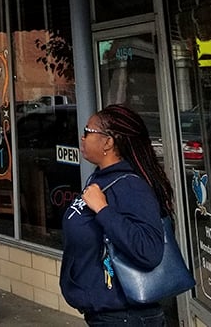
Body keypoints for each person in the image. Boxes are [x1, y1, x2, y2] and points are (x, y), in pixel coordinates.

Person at [60, 104, 175, 326]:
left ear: (108, 141)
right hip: (105, 315)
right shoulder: (100, 179)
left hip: (126, 317)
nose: (82, 137)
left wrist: (103, 210)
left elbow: (150, 250)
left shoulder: (131, 186)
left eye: (88, 131)